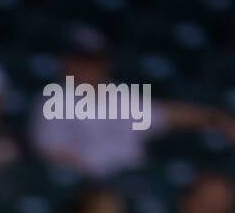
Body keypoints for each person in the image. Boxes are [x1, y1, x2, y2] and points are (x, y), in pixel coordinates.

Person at [29, 25, 235, 179]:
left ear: (104, 63)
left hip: (132, 180)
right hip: (86, 184)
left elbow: (167, 114)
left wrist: (215, 118)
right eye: (79, 60)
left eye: (92, 60)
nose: (86, 68)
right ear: (65, 62)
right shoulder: (53, 99)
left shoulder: (121, 96)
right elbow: (49, 152)